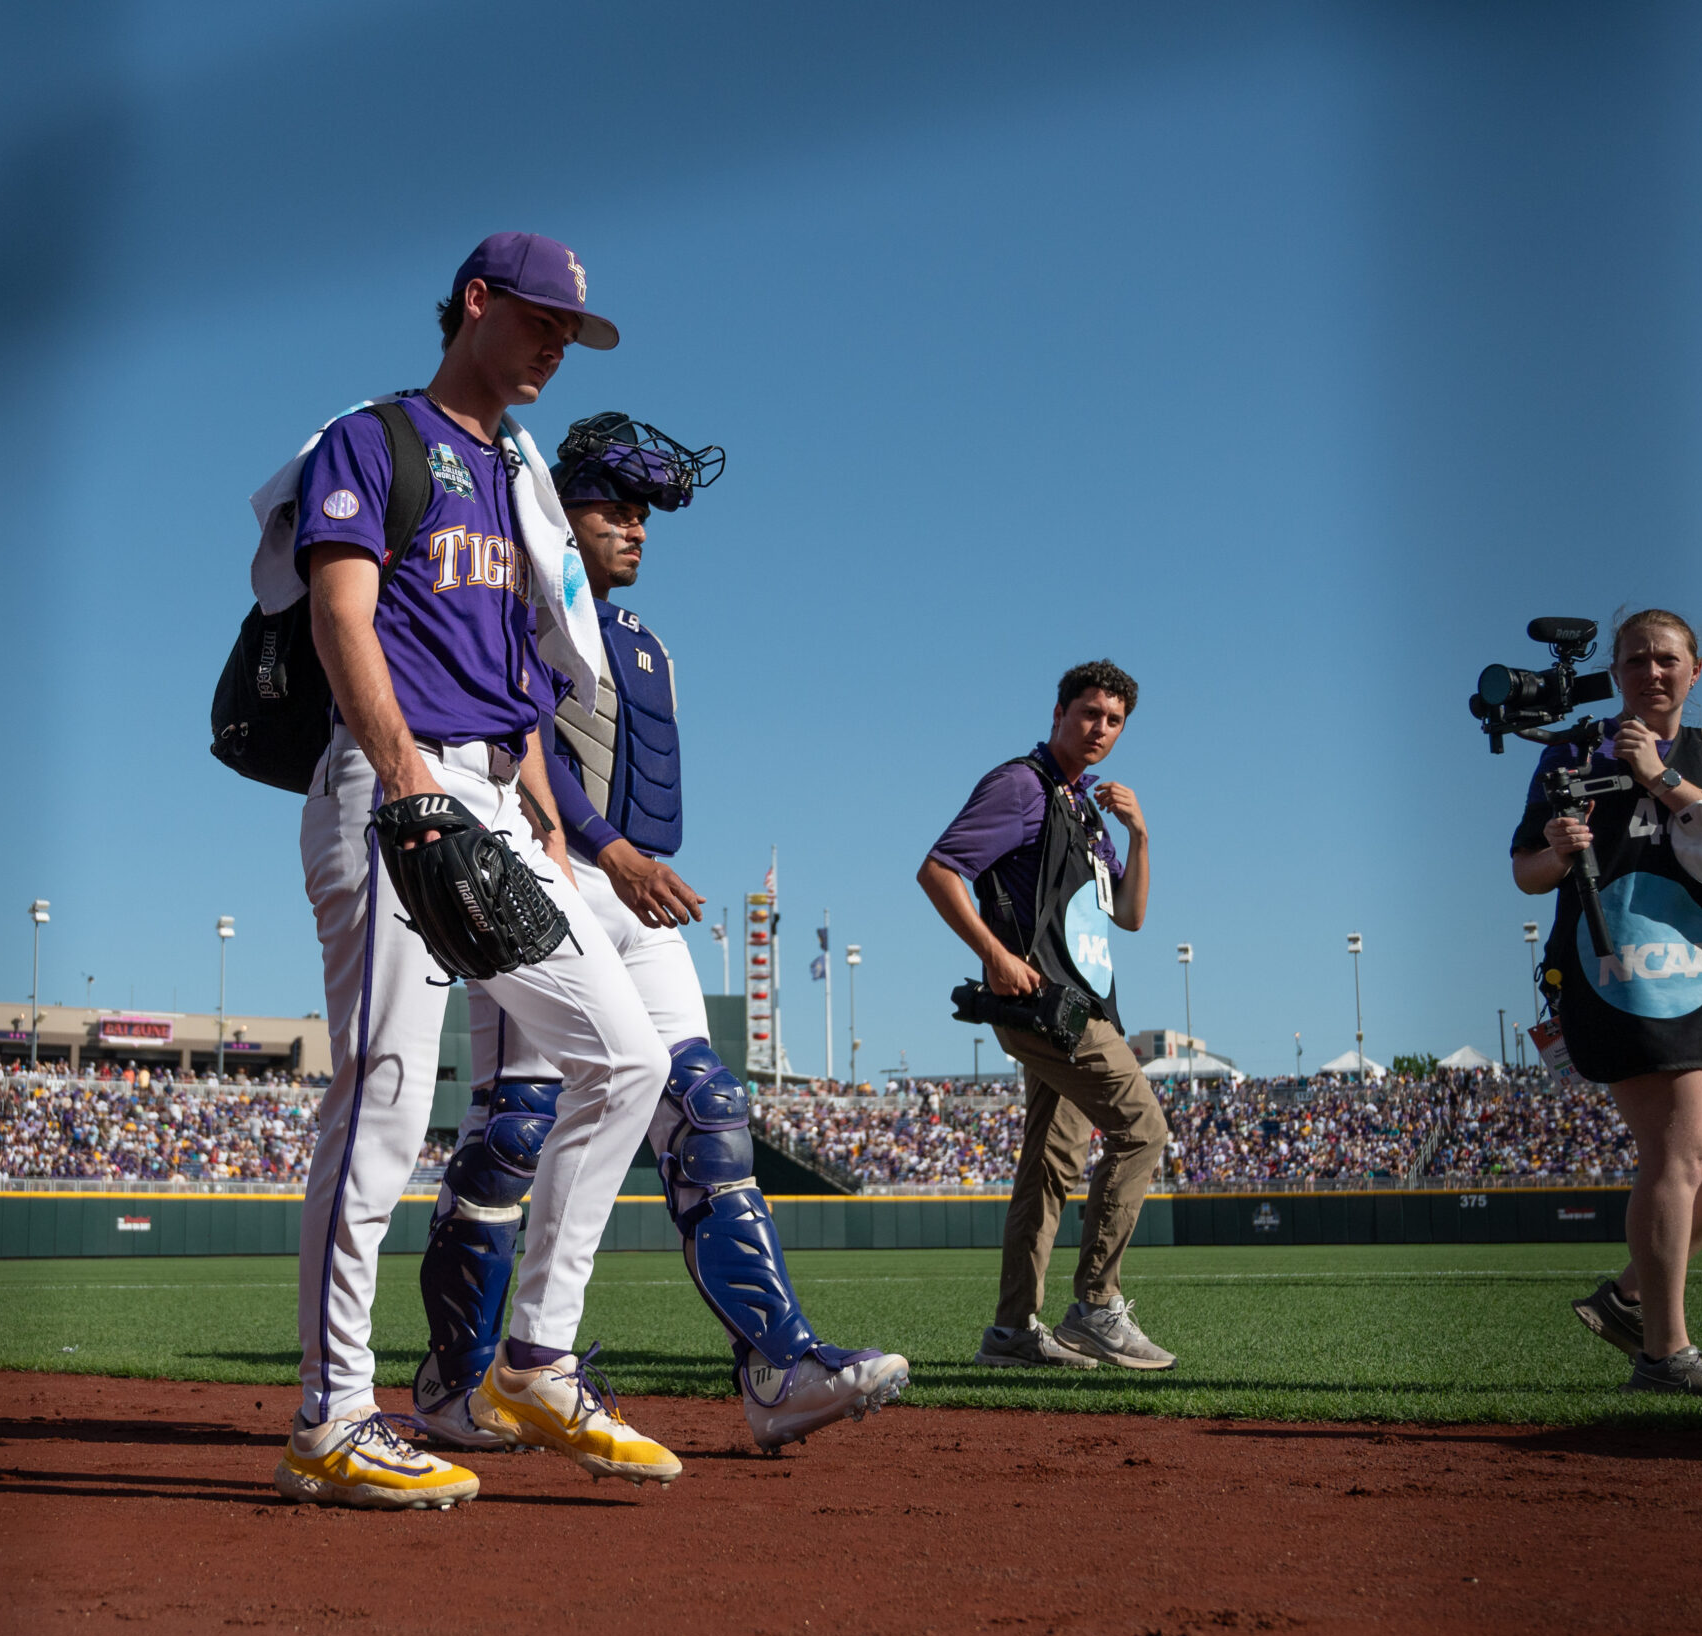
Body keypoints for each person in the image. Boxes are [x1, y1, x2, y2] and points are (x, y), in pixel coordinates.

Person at [266, 233, 679, 1511]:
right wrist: (402, 777)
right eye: (544, 318)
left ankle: (536, 1359)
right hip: (393, 785)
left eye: (577, 330)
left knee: (629, 1058)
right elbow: (342, 613)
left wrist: (545, 810)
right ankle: (333, 1415)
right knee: (384, 1098)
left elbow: (524, 675)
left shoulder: (523, 476)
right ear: (478, 303)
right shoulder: (376, 437)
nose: (559, 342)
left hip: (503, 797)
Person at [410, 413, 910, 1457]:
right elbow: (514, 748)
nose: (636, 527)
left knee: (711, 1110)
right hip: (538, 883)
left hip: (633, 901)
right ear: (558, 512)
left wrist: (632, 864)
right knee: (513, 1133)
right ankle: (456, 1387)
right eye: (612, 507)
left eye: (645, 514)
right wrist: (602, 853)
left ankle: (779, 1367)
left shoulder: (641, 640)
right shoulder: (514, 610)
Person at [1520, 608, 1702, 1398]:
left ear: (1695, 669)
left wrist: (1659, 777)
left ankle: (1627, 1296)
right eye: (1636, 660)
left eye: (1668, 658)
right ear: (1615, 671)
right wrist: (1557, 852)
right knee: (1680, 1152)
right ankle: (1664, 1352)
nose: (1652, 672)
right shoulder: (1575, 750)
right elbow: (1525, 871)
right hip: (1615, 964)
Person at [916, 660, 1176, 1371]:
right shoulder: (1022, 787)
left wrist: (1141, 835)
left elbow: (1130, 915)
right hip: (1044, 1005)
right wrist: (994, 954)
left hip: (1082, 1003)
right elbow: (939, 869)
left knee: (1048, 1166)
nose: (1100, 729)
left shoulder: (1086, 809)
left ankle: (1011, 1330)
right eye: (1089, 712)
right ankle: (1097, 1306)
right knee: (1143, 1127)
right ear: (1058, 711)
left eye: (1114, 720)